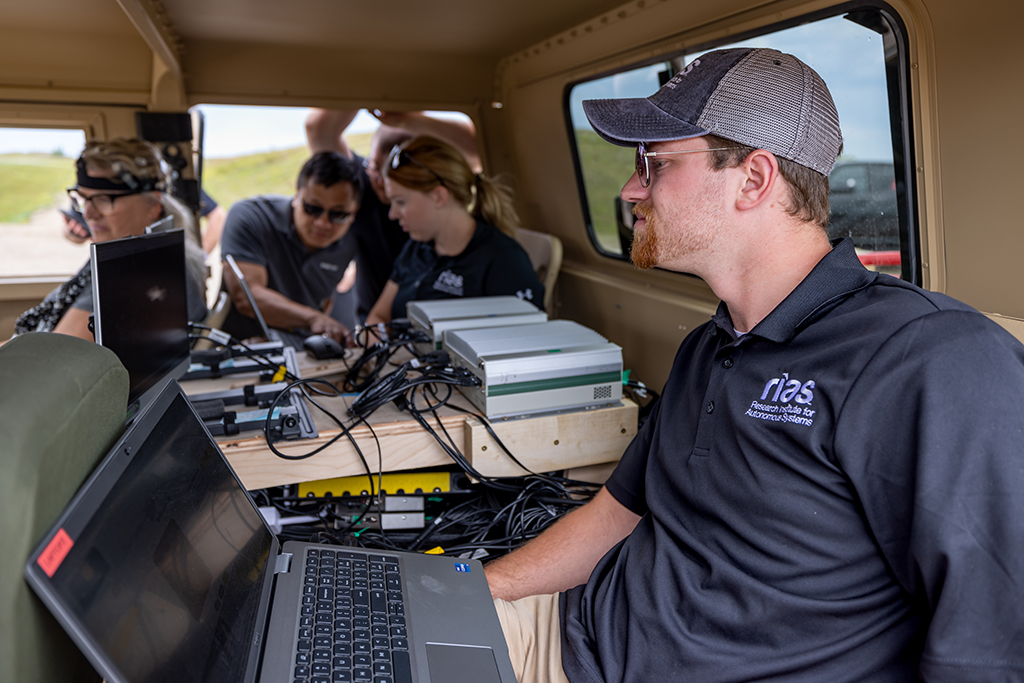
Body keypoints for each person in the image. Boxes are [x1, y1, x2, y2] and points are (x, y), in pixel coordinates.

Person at [484, 47, 1024, 682]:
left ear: (754, 179)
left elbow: (991, 651)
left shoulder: (931, 360)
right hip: (570, 635)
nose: (632, 187)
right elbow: (615, 515)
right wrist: (474, 591)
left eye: (652, 163)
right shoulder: (708, 346)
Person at [14, 138, 208, 339]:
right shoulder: (141, 253)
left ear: (154, 206)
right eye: (83, 199)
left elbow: (55, 353)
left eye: (104, 199)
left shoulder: (133, 271)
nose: (88, 213)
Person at [305, 109, 480, 320]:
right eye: (373, 166)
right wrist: (375, 91)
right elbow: (318, 129)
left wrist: (410, 120)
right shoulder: (362, 187)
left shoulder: (439, 202)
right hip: (376, 325)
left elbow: (481, 150)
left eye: (389, 172)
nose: (379, 180)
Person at [363, 135, 542, 323]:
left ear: (439, 196)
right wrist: (379, 342)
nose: (393, 214)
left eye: (400, 202)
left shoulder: (503, 261)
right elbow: (379, 316)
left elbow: (528, 340)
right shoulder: (416, 248)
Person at [218, 151, 362, 343]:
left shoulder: (353, 238)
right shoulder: (250, 217)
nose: (323, 223)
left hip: (305, 345)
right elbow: (247, 297)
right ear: (297, 195)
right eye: (313, 208)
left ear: (354, 213)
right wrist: (314, 319)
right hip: (244, 346)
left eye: (338, 214)